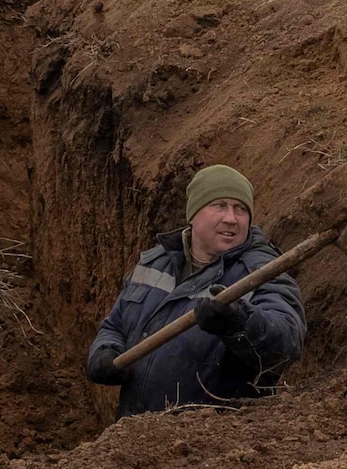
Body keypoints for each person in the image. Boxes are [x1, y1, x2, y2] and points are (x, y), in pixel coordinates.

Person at [85, 164, 306, 417]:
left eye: (241, 209)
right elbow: (115, 326)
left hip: (215, 443)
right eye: (220, 205)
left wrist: (238, 321)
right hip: (136, 437)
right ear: (194, 214)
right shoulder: (156, 262)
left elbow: (286, 342)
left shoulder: (262, 272)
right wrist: (104, 352)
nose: (231, 219)